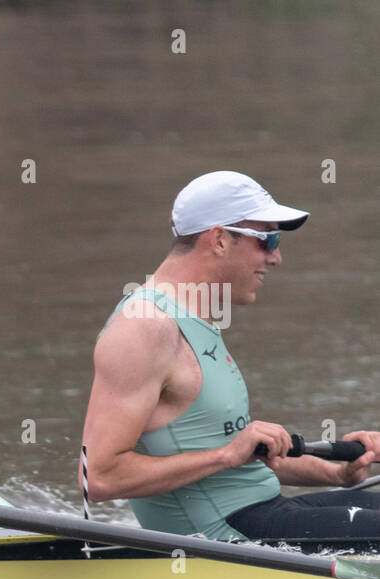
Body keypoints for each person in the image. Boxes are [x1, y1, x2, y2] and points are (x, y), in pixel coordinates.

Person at [81, 170, 380, 541]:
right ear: (220, 240)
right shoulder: (144, 329)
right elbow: (97, 476)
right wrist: (225, 455)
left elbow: (241, 457)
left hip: (264, 510)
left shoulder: (194, 317)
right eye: (268, 240)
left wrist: (339, 474)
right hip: (224, 537)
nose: (276, 258)